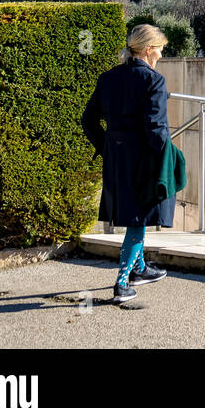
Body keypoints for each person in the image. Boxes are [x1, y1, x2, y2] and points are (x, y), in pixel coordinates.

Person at [80, 24, 174, 303]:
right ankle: (122, 283)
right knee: (138, 218)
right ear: (147, 50)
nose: (161, 53)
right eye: (159, 48)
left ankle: (141, 268)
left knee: (138, 213)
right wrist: (166, 157)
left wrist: (106, 146)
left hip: (116, 158)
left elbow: (88, 120)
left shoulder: (108, 78)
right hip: (142, 159)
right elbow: (156, 128)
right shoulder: (154, 81)